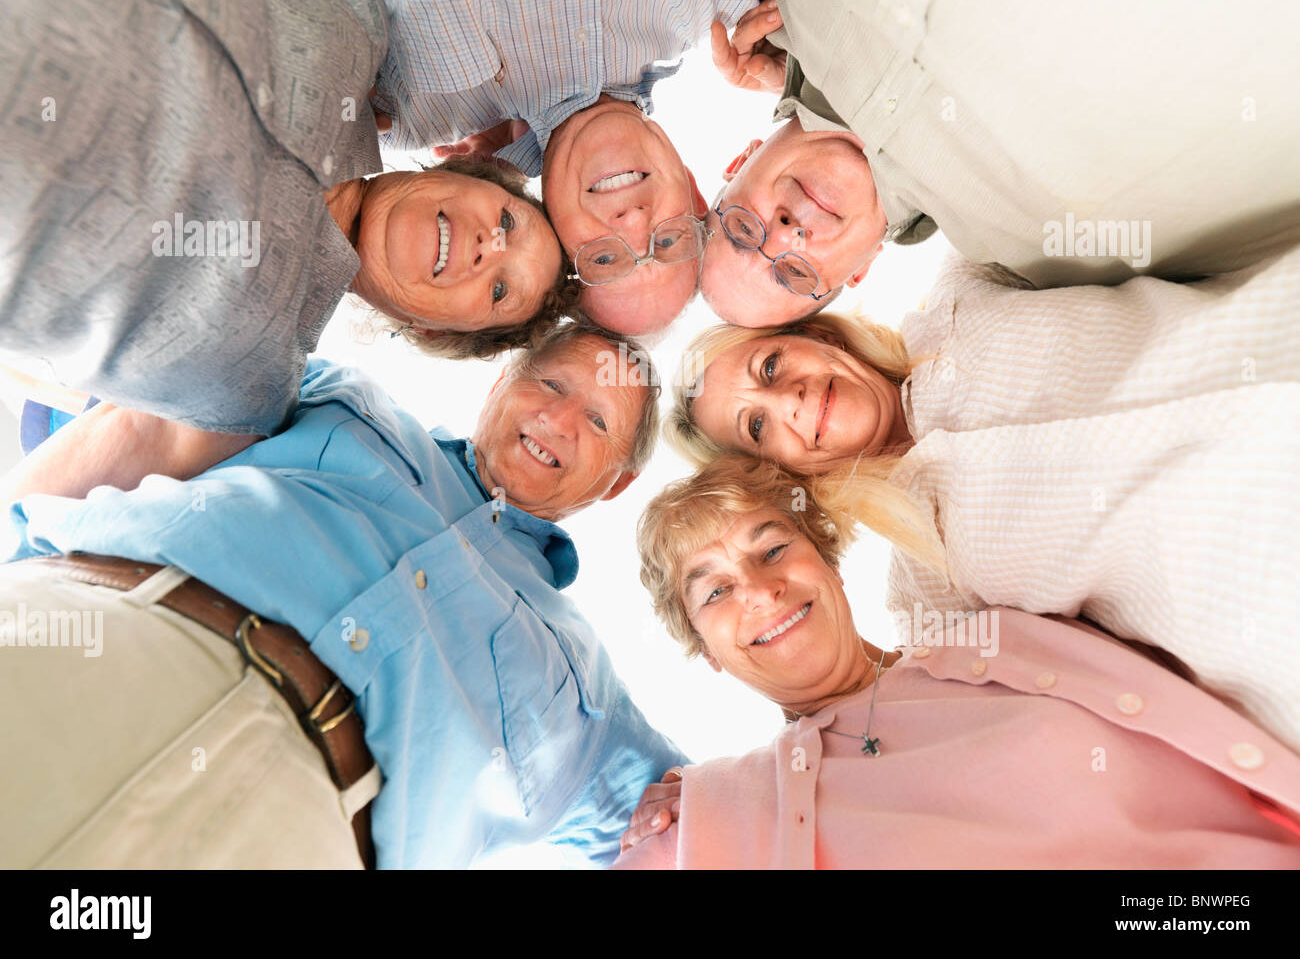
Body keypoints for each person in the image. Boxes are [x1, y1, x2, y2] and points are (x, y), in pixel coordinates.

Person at [0, 324, 684, 868]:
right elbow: (142, 432)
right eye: (551, 382)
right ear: (501, 382)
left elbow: (707, 826)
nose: (560, 419)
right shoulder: (343, 400)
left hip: (297, 833)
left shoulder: (588, 693)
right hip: (108, 626)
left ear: (615, 483)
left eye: (597, 421)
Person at [0, 0, 572, 455]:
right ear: (457, 170)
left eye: (501, 290)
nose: (488, 247)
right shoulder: (358, 31)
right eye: (507, 222)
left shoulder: (250, 380)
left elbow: (100, 470)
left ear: (433, 330)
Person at [666, 244, 1300, 755]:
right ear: (777, 473)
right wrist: (712, 802)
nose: (790, 400)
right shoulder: (926, 594)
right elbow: (933, 741)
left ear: (815, 336)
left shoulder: (966, 282)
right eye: (757, 426)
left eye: (771, 367)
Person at [615, 456, 1300, 868]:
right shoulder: (708, 820)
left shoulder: (997, 642)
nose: (762, 590)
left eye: (772, 549)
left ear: (828, 560)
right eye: (715, 589)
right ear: (704, 649)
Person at [701, 0, 1300, 327]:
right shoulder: (1044, 255)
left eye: (742, 230)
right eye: (795, 273)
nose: (781, 237)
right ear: (859, 272)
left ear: (738, 163)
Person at [307, 0, 781, 336]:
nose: (633, 223)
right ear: (695, 196)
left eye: (603, 257)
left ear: (551, 229)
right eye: (667, 241)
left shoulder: (398, 104)